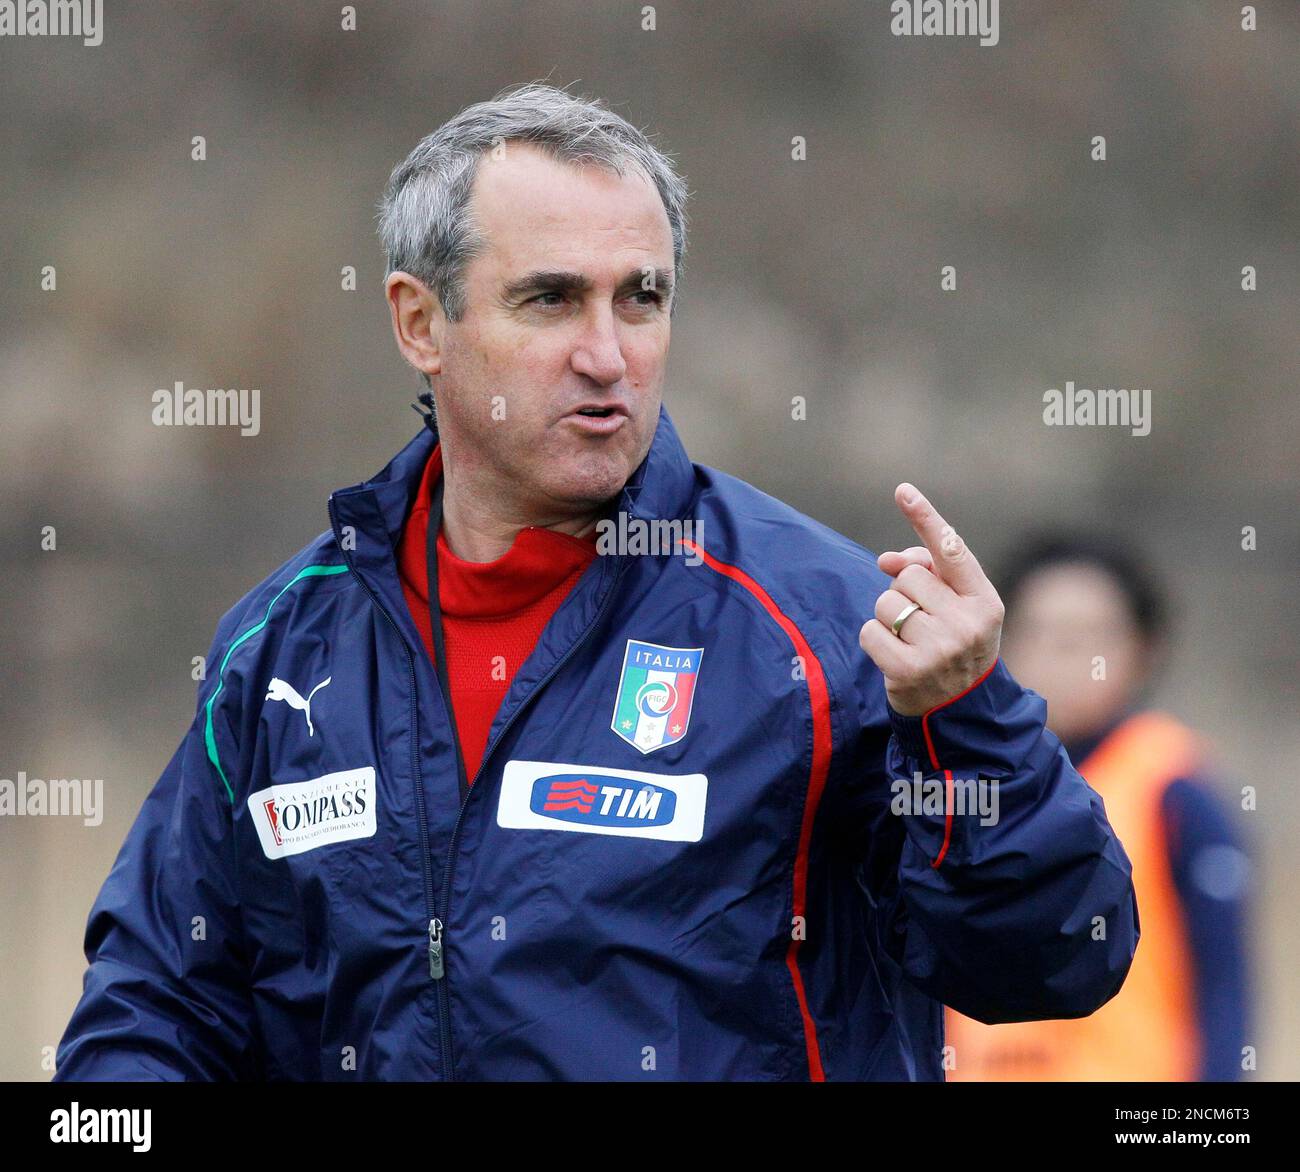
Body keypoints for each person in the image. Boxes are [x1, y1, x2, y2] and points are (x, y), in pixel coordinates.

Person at [54, 82, 1138, 1081]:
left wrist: (971, 722)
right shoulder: (284, 649)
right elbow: (159, 1005)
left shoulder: (828, 629)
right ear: (419, 322)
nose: (608, 354)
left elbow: (1056, 961)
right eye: (551, 300)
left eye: (641, 298)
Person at [945, 535, 1252, 1081]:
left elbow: (1223, 980)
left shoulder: (1173, 785)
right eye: (1042, 632)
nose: (1064, 655)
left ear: (1143, 649)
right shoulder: (955, 783)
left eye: (1090, 636)